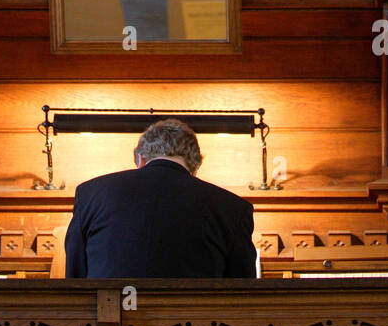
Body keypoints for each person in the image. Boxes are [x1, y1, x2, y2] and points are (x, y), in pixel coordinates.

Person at [64, 117, 257, 278]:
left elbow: (74, 279)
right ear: (196, 167)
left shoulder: (90, 194)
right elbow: (241, 293)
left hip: (113, 317)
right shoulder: (233, 208)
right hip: (195, 321)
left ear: (140, 159)